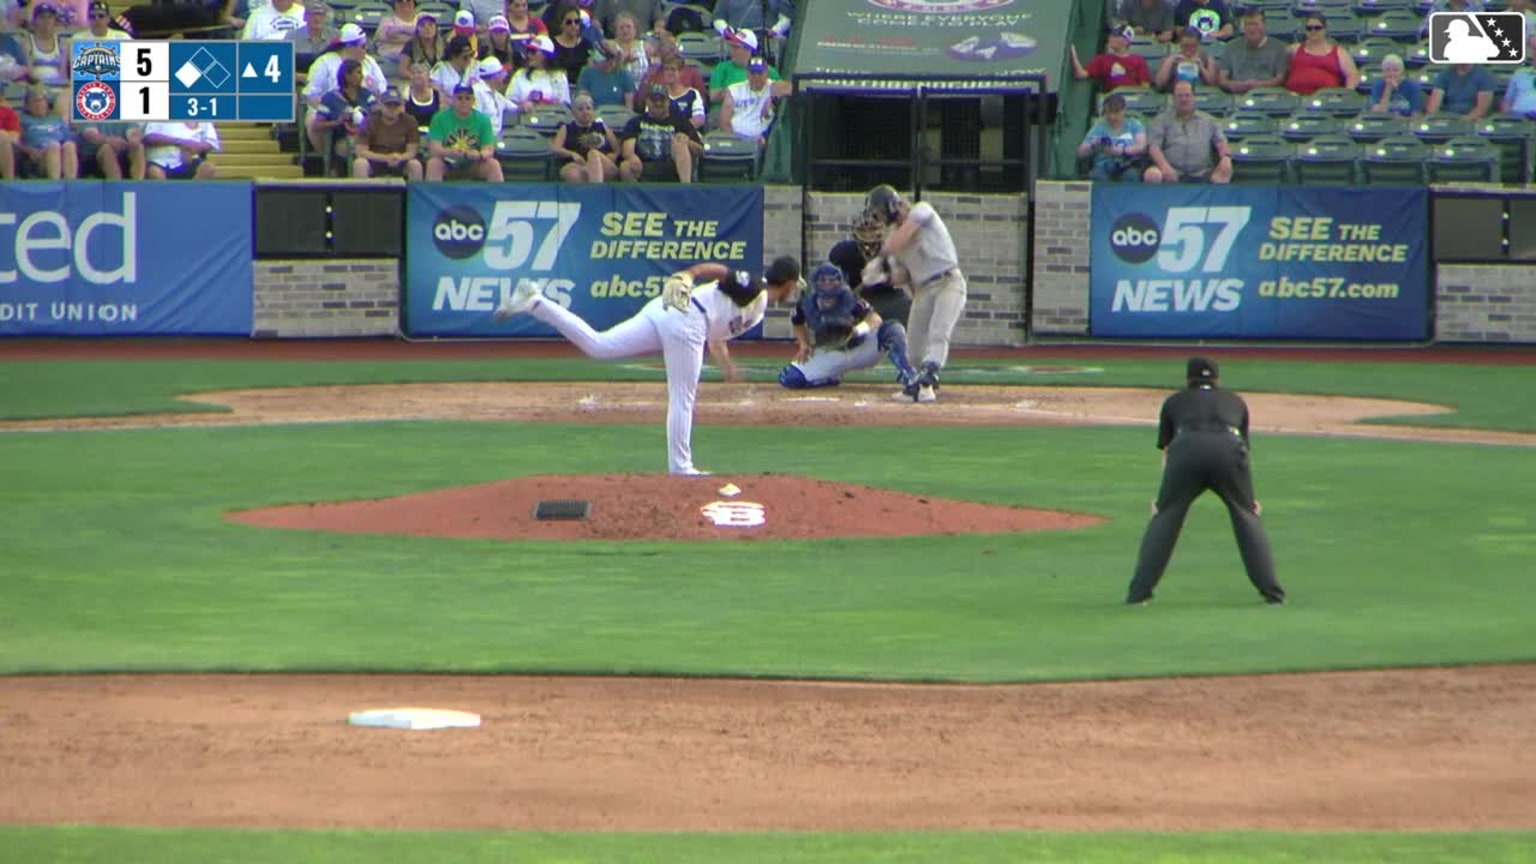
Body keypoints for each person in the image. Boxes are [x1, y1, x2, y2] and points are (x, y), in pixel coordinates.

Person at [490, 256, 805, 476]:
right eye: (795, 285)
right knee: (683, 397)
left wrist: (727, 366)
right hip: (685, 320)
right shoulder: (757, 291)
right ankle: (681, 468)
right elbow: (724, 273)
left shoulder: (757, 305)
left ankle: (535, 303)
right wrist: (690, 274)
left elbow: (717, 336)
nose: (794, 291)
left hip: (672, 314)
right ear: (788, 283)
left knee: (600, 347)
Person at [1127, 357, 1287, 607]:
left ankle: (1139, 594)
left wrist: (1162, 501)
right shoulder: (1235, 401)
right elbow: (1243, 450)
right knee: (1247, 518)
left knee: (1166, 518)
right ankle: (1273, 593)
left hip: (1187, 448)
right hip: (1229, 449)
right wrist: (1249, 498)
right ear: (1217, 379)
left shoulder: (1174, 401)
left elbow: (1167, 451)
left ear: (1187, 379)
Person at [862, 184, 965, 404]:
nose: (879, 217)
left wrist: (881, 258)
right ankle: (924, 387)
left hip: (949, 281)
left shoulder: (921, 211)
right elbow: (905, 276)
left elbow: (902, 236)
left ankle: (928, 379)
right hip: (923, 289)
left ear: (891, 205)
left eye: (880, 211)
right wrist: (884, 278)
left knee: (939, 332)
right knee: (914, 352)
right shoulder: (893, 236)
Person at [777, 262, 920, 393]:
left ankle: (909, 374)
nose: (828, 285)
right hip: (831, 351)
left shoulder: (850, 299)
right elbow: (797, 322)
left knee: (892, 329)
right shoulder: (806, 303)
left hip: (860, 348)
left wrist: (858, 330)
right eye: (824, 281)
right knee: (790, 378)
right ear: (816, 283)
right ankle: (830, 377)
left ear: (839, 282)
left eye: (832, 281)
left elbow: (874, 319)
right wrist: (804, 345)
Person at [828, 209, 911, 326]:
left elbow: (907, 280)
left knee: (907, 309)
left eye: (873, 229)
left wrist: (888, 276)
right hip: (856, 300)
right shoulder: (843, 253)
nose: (869, 235)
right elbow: (835, 290)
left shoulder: (894, 250)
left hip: (889, 299)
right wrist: (863, 285)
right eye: (864, 230)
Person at [1144, 79, 1232, 184]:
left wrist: (1226, 158)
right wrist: (1165, 167)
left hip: (1203, 172)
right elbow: (1154, 147)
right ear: (1173, 98)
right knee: (1152, 174)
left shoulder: (1210, 121)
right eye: (1180, 96)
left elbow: (1221, 142)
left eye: (1187, 95)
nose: (1183, 99)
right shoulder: (1160, 120)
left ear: (1194, 97)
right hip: (1170, 171)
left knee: (1225, 171)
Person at [619, 83, 702, 182]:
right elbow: (627, 150)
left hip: (674, 167)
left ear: (668, 101)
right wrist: (632, 157)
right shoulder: (635, 122)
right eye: (654, 100)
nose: (658, 103)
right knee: (625, 167)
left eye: (662, 100)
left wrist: (687, 142)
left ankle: (685, 190)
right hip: (644, 166)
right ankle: (636, 197)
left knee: (680, 144)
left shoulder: (681, 122)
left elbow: (700, 150)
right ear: (647, 101)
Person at [424, 85, 502, 181]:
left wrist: (479, 154)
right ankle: (432, 196)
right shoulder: (439, 118)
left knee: (493, 165)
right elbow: (434, 150)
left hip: (473, 164)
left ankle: (498, 196)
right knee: (433, 164)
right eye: (459, 98)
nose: (463, 102)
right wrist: (450, 152)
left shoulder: (483, 120)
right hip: (447, 163)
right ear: (453, 100)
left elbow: (489, 149)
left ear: (473, 101)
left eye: (467, 98)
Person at [352, 88, 423, 179]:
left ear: (401, 106)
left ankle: (413, 193)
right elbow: (361, 151)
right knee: (360, 164)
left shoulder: (410, 121)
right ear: (381, 105)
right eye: (388, 105)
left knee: (415, 165)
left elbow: (412, 151)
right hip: (375, 161)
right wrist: (386, 158)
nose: (392, 108)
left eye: (396, 105)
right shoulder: (369, 121)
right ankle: (363, 193)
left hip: (401, 161)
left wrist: (400, 157)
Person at [1217, 7, 1289, 95]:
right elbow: (1222, 79)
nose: (1252, 29)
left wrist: (1258, 85)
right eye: (1248, 24)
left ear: (1264, 25)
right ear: (1243, 27)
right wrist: (1240, 85)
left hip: (1268, 95)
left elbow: (1280, 79)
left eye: (1255, 24)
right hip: (1237, 96)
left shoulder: (1279, 48)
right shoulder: (1231, 47)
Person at [1078, 92, 1147, 182]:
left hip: (1128, 164)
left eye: (1116, 113)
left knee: (1131, 176)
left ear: (1123, 110)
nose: (1112, 117)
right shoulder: (1099, 127)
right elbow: (1080, 154)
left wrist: (1122, 151)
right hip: (1103, 166)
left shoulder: (1134, 124)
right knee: (1097, 175)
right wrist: (1092, 144)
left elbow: (1142, 147)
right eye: (1108, 113)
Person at [1284, 14, 1359, 96]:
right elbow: (1278, 68)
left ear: (1325, 30)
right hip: (1294, 96)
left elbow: (1352, 75)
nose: (1313, 31)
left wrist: (1346, 95)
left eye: (1317, 28)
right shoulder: (1293, 49)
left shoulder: (1339, 52)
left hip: (1327, 98)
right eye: (1309, 28)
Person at [553, 91, 620, 182]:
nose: (585, 112)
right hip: (577, 164)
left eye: (588, 108)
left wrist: (614, 155)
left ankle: (594, 191)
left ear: (593, 110)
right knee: (573, 173)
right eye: (580, 109)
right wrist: (572, 154)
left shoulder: (602, 127)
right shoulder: (566, 128)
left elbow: (617, 149)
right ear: (574, 112)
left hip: (603, 165)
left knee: (593, 154)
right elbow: (556, 148)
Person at [1069, 21, 1151, 93]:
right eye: (1112, 35)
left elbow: (1144, 88)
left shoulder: (1139, 61)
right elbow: (1080, 74)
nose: (1111, 37)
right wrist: (1073, 52)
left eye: (1115, 36)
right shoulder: (1102, 59)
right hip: (1112, 100)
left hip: (1132, 99)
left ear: (1125, 41)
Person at [1155, 27, 1217, 92]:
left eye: (1193, 46)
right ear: (1180, 44)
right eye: (1185, 46)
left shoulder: (1207, 59)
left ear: (1199, 44)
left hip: (1201, 95)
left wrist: (1201, 67)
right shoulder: (1172, 59)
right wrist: (1170, 61)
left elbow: (1212, 84)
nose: (1189, 50)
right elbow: (1160, 84)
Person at [1426, 63, 1496, 118]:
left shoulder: (1484, 75)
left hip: (1471, 119)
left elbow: (1481, 110)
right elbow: (1433, 105)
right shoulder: (1445, 74)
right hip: (1447, 117)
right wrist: (1435, 118)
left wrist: (1462, 121)